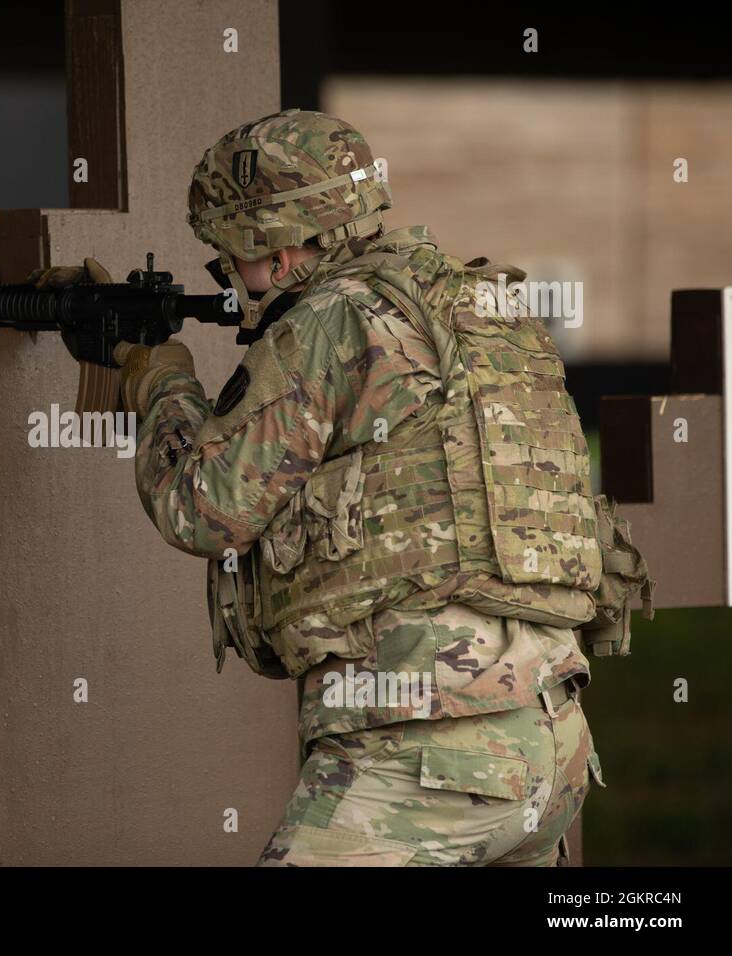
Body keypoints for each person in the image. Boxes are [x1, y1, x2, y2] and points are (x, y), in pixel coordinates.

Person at [110, 109, 650, 866]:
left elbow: (203, 508)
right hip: (551, 746)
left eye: (234, 259)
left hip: (428, 757)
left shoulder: (333, 321)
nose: (235, 281)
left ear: (284, 246)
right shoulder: (483, 309)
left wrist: (160, 381)